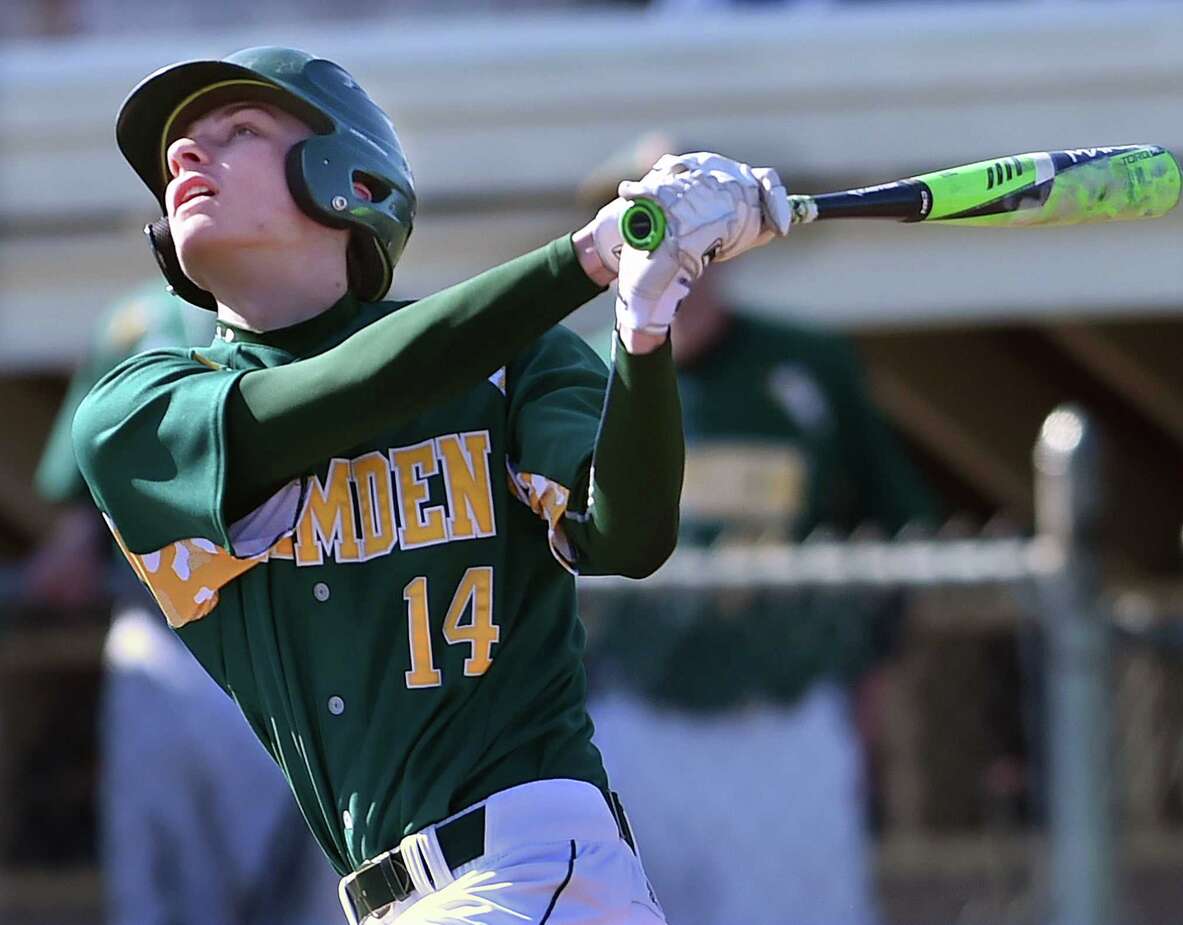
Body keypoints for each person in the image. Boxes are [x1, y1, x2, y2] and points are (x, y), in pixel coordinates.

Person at [70, 46, 791, 924]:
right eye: (177, 148)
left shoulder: (513, 361)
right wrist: (589, 255)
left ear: (349, 179)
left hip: (532, 865)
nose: (185, 154)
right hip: (395, 896)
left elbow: (628, 534)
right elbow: (335, 395)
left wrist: (644, 326)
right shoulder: (133, 412)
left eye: (240, 130)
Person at [587, 261, 938, 925]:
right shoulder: (583, 373)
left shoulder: (809, 364)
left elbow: (903, 526)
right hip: (631, 718)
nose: (673, 272)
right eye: (649, 244)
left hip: (780, 718)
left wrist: (871, 673)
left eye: (693, 249)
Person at [27, 281, 343, 925]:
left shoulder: (326, 303)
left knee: (308, 868)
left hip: (291, 631)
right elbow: (77, 508)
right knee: (160, 864)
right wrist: (71, 553)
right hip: (164, 632)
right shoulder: (135, 320)